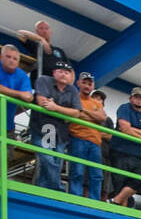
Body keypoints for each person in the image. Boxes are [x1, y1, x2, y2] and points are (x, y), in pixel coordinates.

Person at [30, 60, 81, 192]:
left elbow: (76, 113)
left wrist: (55, 107)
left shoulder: (73, 90)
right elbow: (42, 102)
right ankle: (58, 188)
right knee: (48, 159)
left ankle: (43, 191)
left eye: (67, 72)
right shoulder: (44, 80)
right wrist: (65, 111)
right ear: (54, 73)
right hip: (44, 127)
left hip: (61, 132)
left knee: (56, 162)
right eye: (60, 71)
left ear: (70, 75)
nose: (63, 75)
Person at [107, 87, 141, 207]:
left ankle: (115, 201)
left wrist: (131, 129)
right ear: (131, 98)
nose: (138, 100)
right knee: (119, 183)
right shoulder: (124, 108)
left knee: (140, 180)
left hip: (135, 154)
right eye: (136, 97)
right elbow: (124, 129)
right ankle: (121, 213)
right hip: (119, 151)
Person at [67, 71, 108, 200]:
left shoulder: (97, 103)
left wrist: (83, 111)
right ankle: (76, 198)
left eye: (89, 84)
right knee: (77, 170)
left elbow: (102, 118)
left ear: (93, 86)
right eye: (84, 83)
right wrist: (92, 115)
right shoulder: (73, 98)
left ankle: (94, 200)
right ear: (78, 83)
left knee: (97, 174)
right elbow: (74, 114)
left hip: (95, 142)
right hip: (77, 138)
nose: (87, 86)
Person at [0, 44, 33, 138]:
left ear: (18, 61)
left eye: (15, 58)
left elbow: (28, 97)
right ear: (1, 57)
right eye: (8, 56)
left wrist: (4, 91)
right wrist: (18, 94)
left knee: (7, 152)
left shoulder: (22, 76)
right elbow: (23, 95)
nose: (11, 60)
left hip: (7, 127)